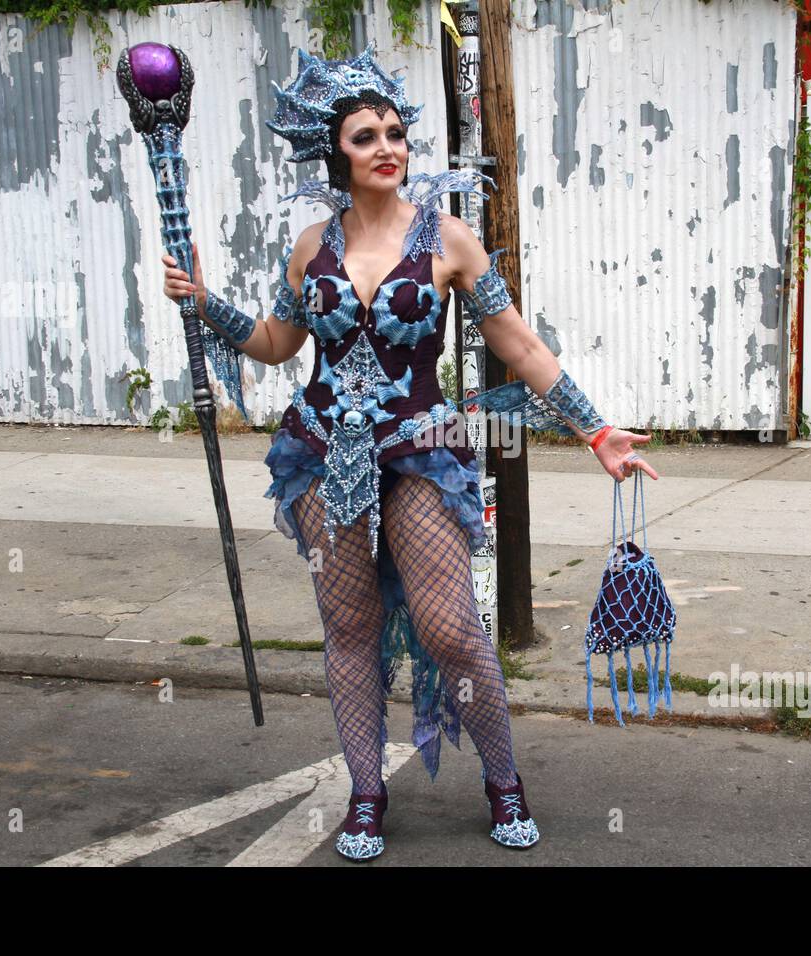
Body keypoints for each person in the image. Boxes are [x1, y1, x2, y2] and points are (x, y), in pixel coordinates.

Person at [161, 44, 657, 861]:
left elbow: (520, 347)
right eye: (365, 136)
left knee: (453, 630)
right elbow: (279, 343)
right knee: (348, 627)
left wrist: (595, 429)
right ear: (338, 154)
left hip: (419, 452)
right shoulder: (310, 246)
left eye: (395, 132)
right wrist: (206, 303)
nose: (387, 147)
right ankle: (365, 791)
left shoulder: (449, 240)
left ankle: (504, 778)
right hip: (323, 456)